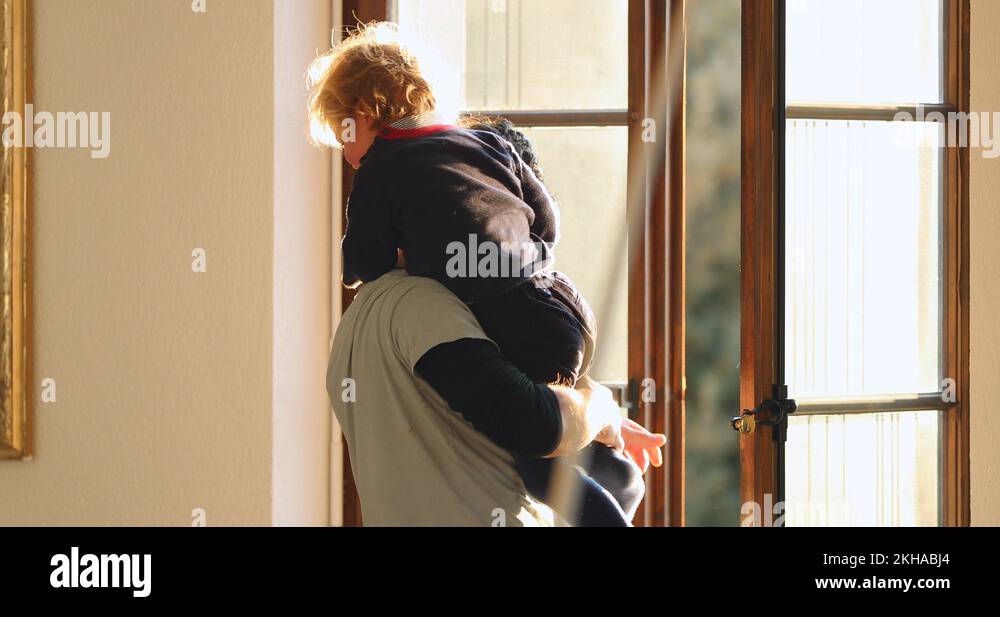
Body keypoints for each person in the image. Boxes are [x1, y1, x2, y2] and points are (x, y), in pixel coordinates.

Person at [312, 22, 665, 525]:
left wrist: (379, 258)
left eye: (344, 138)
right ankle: (619, 482)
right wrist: (525, 254)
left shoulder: (383, 179)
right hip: (557, 302)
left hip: (519, 322)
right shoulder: (487, 146)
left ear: (364, 115)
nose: (348, 155)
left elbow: (362, 261)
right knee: (603, 464)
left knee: (537, 461)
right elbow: (546, 218)